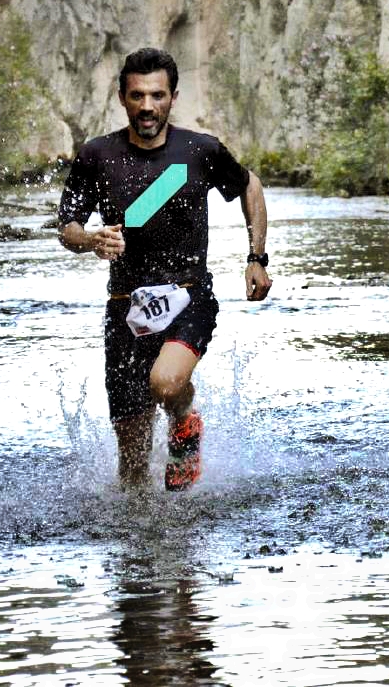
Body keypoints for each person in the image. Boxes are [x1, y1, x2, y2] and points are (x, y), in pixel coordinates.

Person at [57, 47, 272, 490]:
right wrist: (92, 239)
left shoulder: (198, 150)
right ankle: (144, 550)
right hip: (126, 309)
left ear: (173, 97)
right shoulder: (98, 156)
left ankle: (184, 420)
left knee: (167, 383)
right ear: (122, 98)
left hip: (189, 295)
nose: (147, 106)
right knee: (132, 471)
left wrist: (256, 257)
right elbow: (68, 227)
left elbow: (250, 185)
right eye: (138, 96)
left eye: (157, 95)